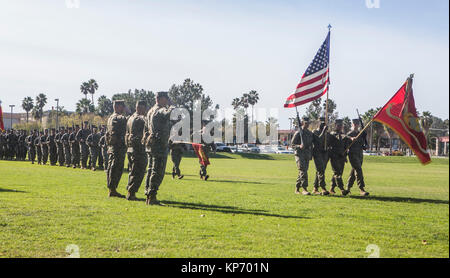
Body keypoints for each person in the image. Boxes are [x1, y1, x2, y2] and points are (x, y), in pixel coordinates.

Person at [143, 91, 175, 205]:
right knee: (158, 171)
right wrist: (172, 105)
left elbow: (146, 128)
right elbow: (170, 114)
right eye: (166, 99)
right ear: (161, 99)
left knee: (151, 170)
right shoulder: (160, 110)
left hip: (151, 144)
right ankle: (152, 196)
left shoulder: (150, 111)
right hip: (159, 145)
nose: (167, 101)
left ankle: (148, 194)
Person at [125, 100, 148, 200]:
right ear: (141, 108)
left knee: (132, 170)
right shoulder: (140, 119)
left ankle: (130, 190)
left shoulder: (130, 118)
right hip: (138, 148)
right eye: (145, 108)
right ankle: (131, 192)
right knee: (138, 171)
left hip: (130, 148)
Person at [106, 100, 128, 198]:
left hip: (112, 146)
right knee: (116, 168)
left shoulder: (110, 117)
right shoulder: (118, 118)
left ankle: (112, 188)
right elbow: (127, 121)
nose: (124, 108)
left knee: (111, 167)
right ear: (118, 107)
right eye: (123, 106)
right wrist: (129, 112)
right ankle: (112, 189)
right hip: (118, 147)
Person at [346, 119, 370, 196]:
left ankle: (348, 188)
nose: (356, 125)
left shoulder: (361, 133)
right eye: (355, 124)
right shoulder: (350, 134)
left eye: (357, 124)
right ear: (352, 124)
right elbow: (345, 144)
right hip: (352, 154)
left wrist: (365, 147)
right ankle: (361, 189)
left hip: (360, 154)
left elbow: (362, 145)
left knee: (354, 171)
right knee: (358, 170)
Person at [291, 116, 314, 195]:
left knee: (302, 171)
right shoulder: (298, 132)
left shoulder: (310, 133)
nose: (307, 125)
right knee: (303, 170)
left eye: (308, 123)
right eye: (306, 123)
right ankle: (304, 189)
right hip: (299, 154)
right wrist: (299, 146)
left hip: (307, 154)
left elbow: (312, 144)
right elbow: (292, 144)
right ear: (303, 123)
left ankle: (297, 188)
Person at [328, 119, 351, 196]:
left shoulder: (344, 135)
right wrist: (350, 138)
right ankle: (342, 189)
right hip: (334, 156)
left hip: (342, 156)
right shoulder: (332, 134)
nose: (340, 127)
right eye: (339, 125)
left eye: (341, 125)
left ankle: (331, 188)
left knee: (339, 173)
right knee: (337, 173)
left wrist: (345, 156)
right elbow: (338, 137)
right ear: (335, 126)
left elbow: (346, 146)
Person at [312, 117, 330, 195]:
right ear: (318, 123)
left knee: (320, 171)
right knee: (321, 170)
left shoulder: (326, 133)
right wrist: (323, 131)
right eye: (321, 122)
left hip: (324, 153)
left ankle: (315, 188)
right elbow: (318, 140)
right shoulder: (315, 131)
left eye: (324, 122)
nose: (323, 124)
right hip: (317, 153)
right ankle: (323, 187)